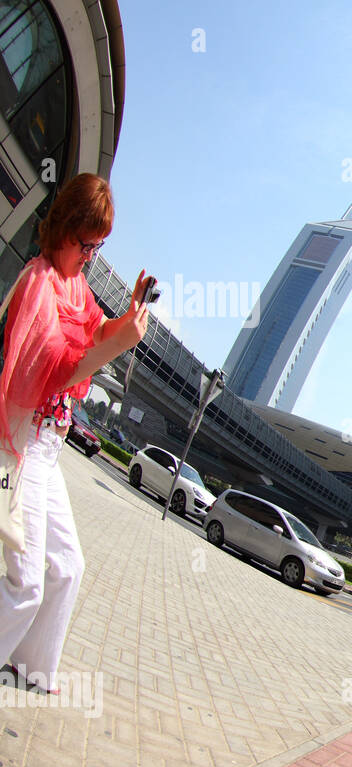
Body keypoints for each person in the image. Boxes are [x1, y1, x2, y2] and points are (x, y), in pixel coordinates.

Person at [0, 173, 151, 693]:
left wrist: (128, 316)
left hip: (48, 447)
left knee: (68, 567)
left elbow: (96, 330)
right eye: (88, 243)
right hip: (24, 445)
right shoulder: (39, 282)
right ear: (63, 228)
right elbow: (53, 371)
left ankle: (30, 664)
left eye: (99, 246)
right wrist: (117, 343)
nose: (90, 255)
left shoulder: (75, 286)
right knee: (25, 585)